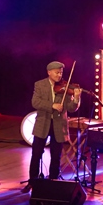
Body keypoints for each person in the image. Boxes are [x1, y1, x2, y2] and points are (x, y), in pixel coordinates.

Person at [21, 61, 81, 192]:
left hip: (59, 125)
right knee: (36, 154)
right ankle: (33, 182)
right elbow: (35, 102)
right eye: (57, 72)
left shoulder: (65, 88)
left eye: (61, 73)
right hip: (43, 123)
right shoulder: (40, 84)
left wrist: (76, 98)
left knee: (56, 155)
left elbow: (71, 108)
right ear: (49, 72)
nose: (59, 75)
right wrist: (52, 105)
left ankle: (54, 182)